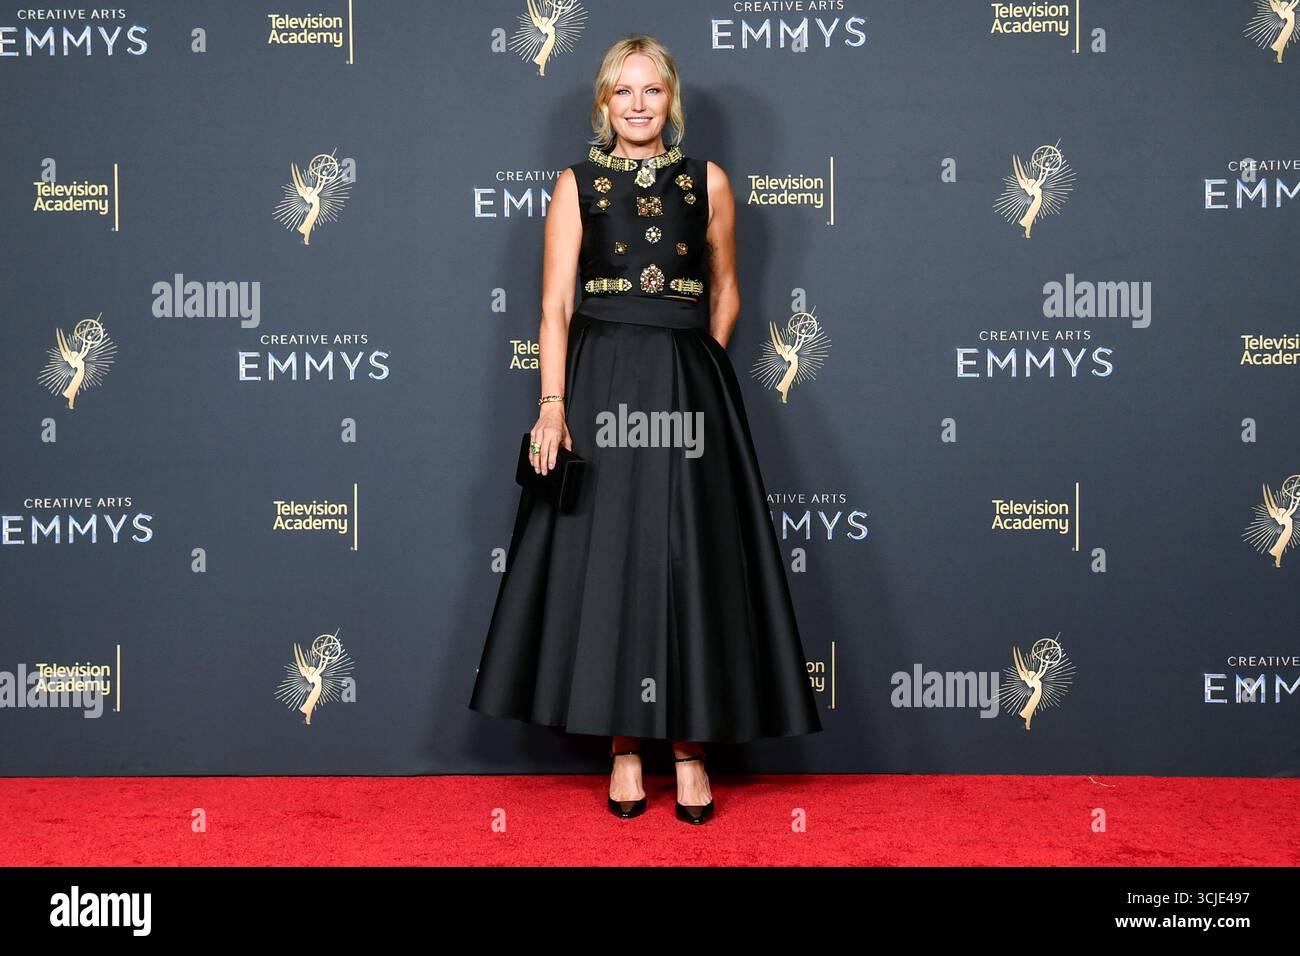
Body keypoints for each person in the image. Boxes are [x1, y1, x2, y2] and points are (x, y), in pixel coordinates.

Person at [468, 34, 822, 825]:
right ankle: (625, 747)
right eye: (622, 92)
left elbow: (726, 295)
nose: (636, 105)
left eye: (651, 91)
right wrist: (553, 405)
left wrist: (699, 371)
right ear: (603, 104)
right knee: (614, 559)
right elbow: (555, 307)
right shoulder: (578, 185)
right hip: (597, 386)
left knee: (686, 559)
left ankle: (691, 751)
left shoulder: (709, 183)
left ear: (671, 101)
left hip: (688, 389)